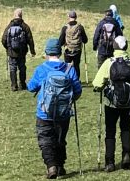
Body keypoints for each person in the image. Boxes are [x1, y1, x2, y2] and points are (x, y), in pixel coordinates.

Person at [92, 36, 130, 172]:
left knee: (110, 130)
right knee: (125, 127)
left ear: (114, 47)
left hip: (111, 104)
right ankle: (126, 157)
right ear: (126, 47)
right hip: (129, 104)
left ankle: (109, 163)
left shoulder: (108, 62)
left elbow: (96, 84)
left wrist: (100, 87)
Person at [28, 38, 83, 180]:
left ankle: (51, 166)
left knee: (45, 140)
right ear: (59, 52)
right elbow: (77, 90)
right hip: (63, 113)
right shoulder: (69, 69)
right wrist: (69, 101)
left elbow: (31, 87)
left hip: (44, 112)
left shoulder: (42, 69)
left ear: (47, 52)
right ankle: (60, 166)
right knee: (60, 139)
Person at [2, 8, 36, 91]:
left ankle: (14, 85)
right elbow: (30, 40)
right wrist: (32, 51)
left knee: (13, 67)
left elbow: (3, 39)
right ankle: (22, 84)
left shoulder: (9, 26)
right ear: (21, 15)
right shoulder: (25, 26)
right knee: (22, 68)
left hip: (11, 52)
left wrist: (8, 48)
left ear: (14, 15)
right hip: (22, 52)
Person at [58, 10, 88, 75]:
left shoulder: (65, 27)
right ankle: (76, 81)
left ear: (69, 17)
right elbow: (85, 40)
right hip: (77, 50)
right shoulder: (80, 27)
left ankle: (67, 80)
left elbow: (60, 41)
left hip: (67, 50)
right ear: (76, 17)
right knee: (76, 66)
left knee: (67, 66)